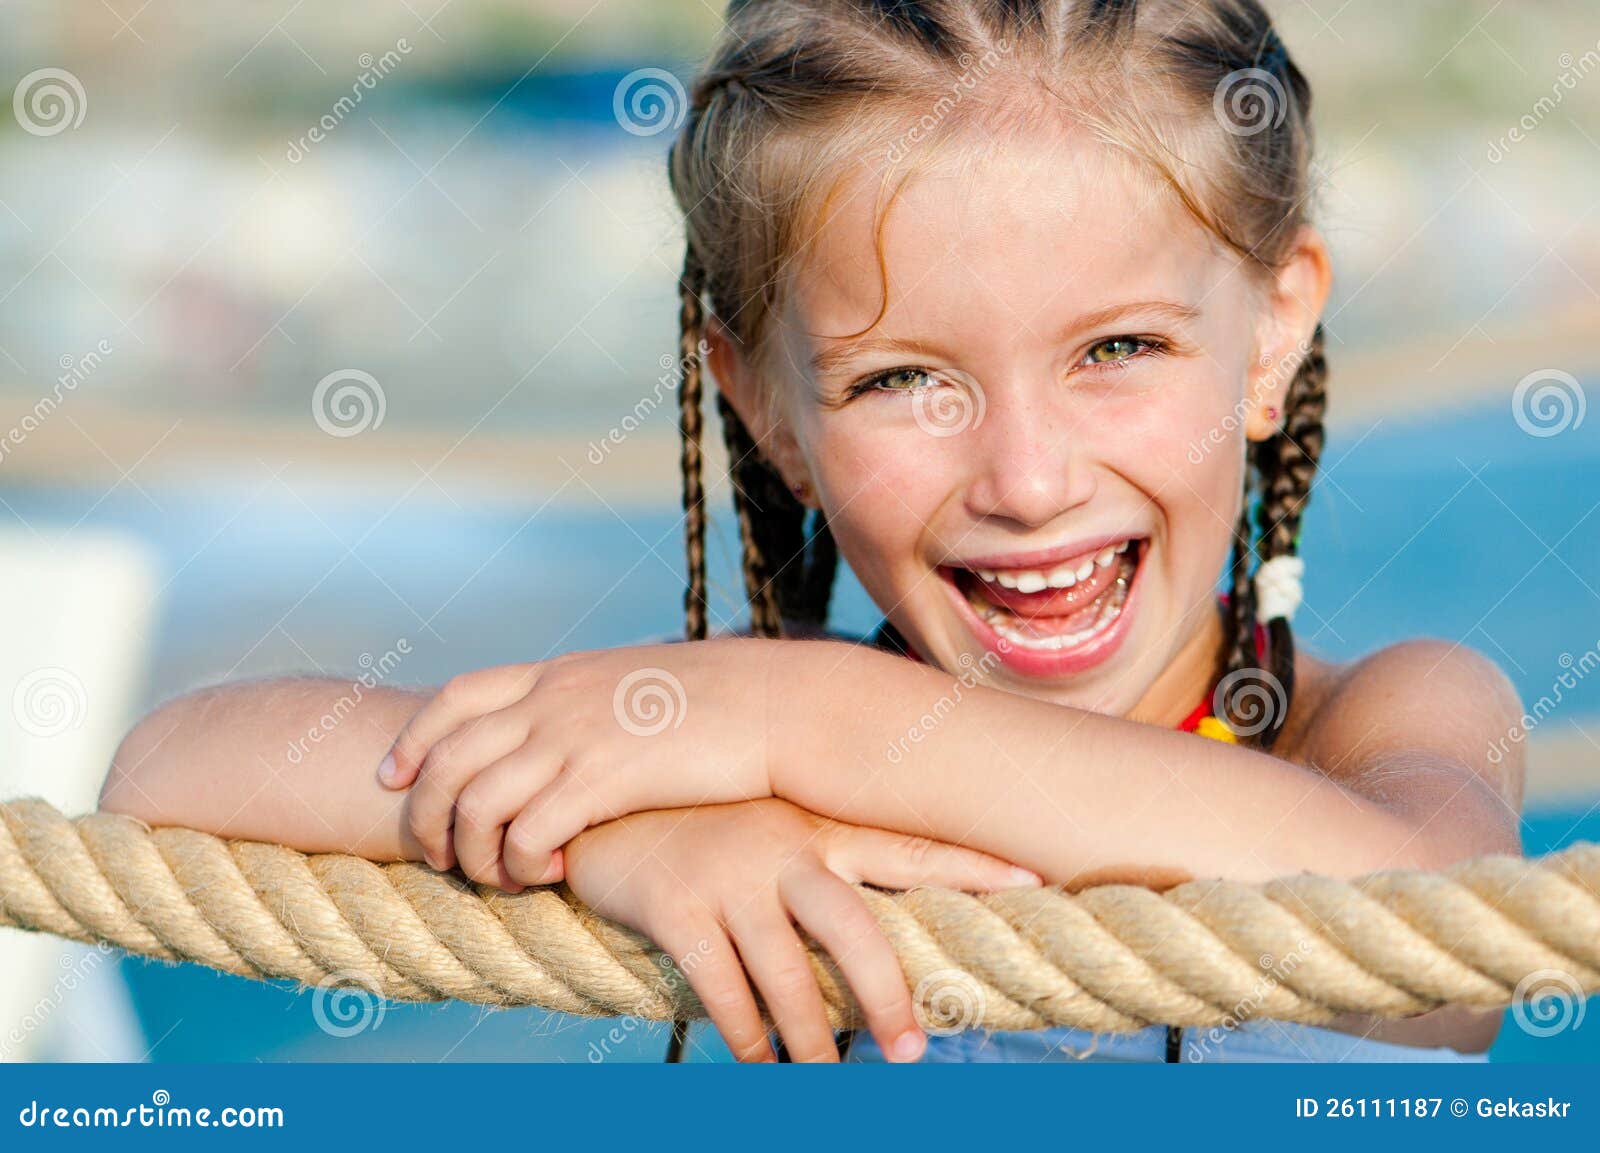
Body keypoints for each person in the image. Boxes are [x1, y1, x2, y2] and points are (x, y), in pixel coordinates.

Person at [100, 0, 1524, 1064]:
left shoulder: (1382, 721)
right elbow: (171, 775)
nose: (1027, 480)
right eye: (901, 379)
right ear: (766, 407)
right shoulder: (714, 756)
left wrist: (804, 719)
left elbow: (1439, 943)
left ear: (1273, 330)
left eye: (1119, 349)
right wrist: (633, 835)